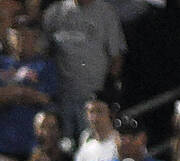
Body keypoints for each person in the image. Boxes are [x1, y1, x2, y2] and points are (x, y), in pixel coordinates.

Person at [42, 0, 125, 140]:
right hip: (62, 96)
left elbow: (116, 56)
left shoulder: (106, 12)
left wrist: (108, 90)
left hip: (93, 97)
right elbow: (44, 51)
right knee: (64, 146)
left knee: (91, 141)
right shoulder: (54, 12)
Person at [0, 17, 58, 161]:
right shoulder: (0, 64)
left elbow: (44, 97)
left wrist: (10, 93)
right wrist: (23, 92)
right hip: (3, 142)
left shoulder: (45, 65)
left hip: (33, 143)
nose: (21, 39)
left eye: (25, 35)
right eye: (16, 35)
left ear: (35, 37)